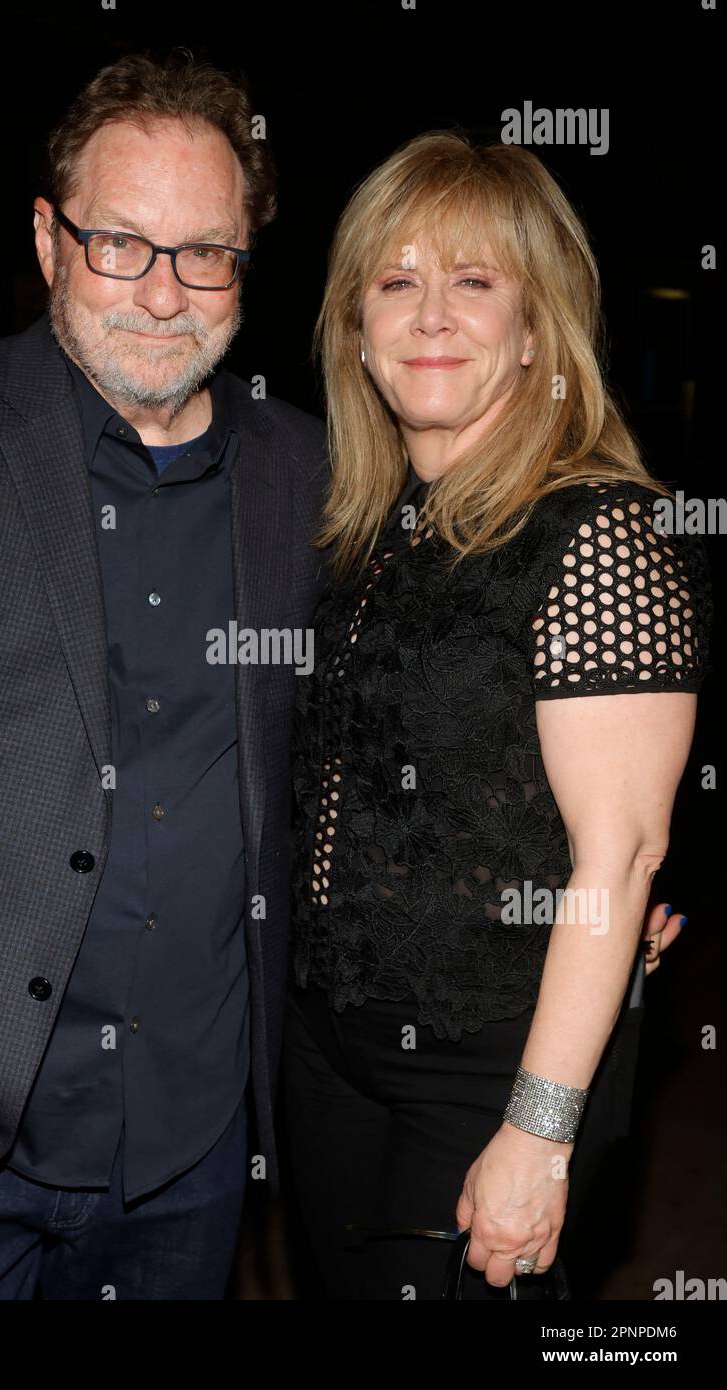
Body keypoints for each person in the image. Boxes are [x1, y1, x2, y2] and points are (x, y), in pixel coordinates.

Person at [0, 51, 329, 1299]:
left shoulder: (304, 475)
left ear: (245, 263)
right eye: (118, 244)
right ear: (47, 240)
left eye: (205, 252)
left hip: (192, 1151)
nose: (163, 292)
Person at [283, 131, 712, 1300]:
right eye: (396, 279)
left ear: (535, 330)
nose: (430, 314)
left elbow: (619, 856)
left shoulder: (601, 535)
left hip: (491, 1071)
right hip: (327, 1050)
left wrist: (538, 1130)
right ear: (354, 328)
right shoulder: (373, 532)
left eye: (475, 281)